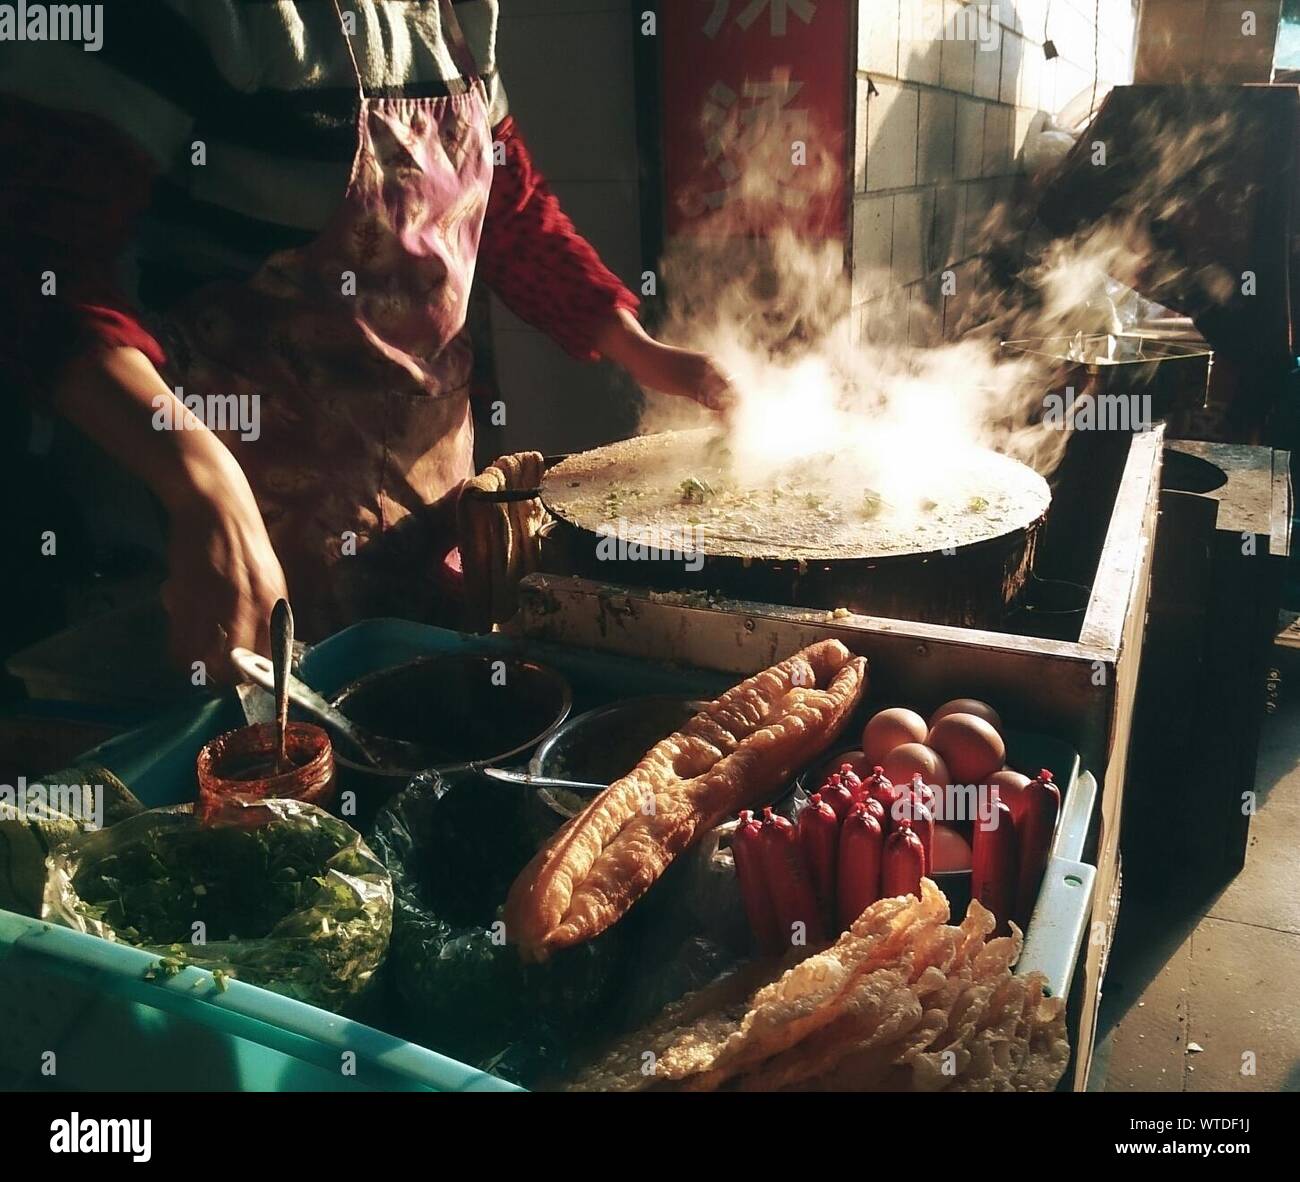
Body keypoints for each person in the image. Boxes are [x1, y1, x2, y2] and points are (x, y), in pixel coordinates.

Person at [0, 0, 730, 675]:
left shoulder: (456, 14)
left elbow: (508, 202)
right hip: (249, 529)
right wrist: (199, 480)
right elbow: (35, 263)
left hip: (436, 505)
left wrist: (645, 351)